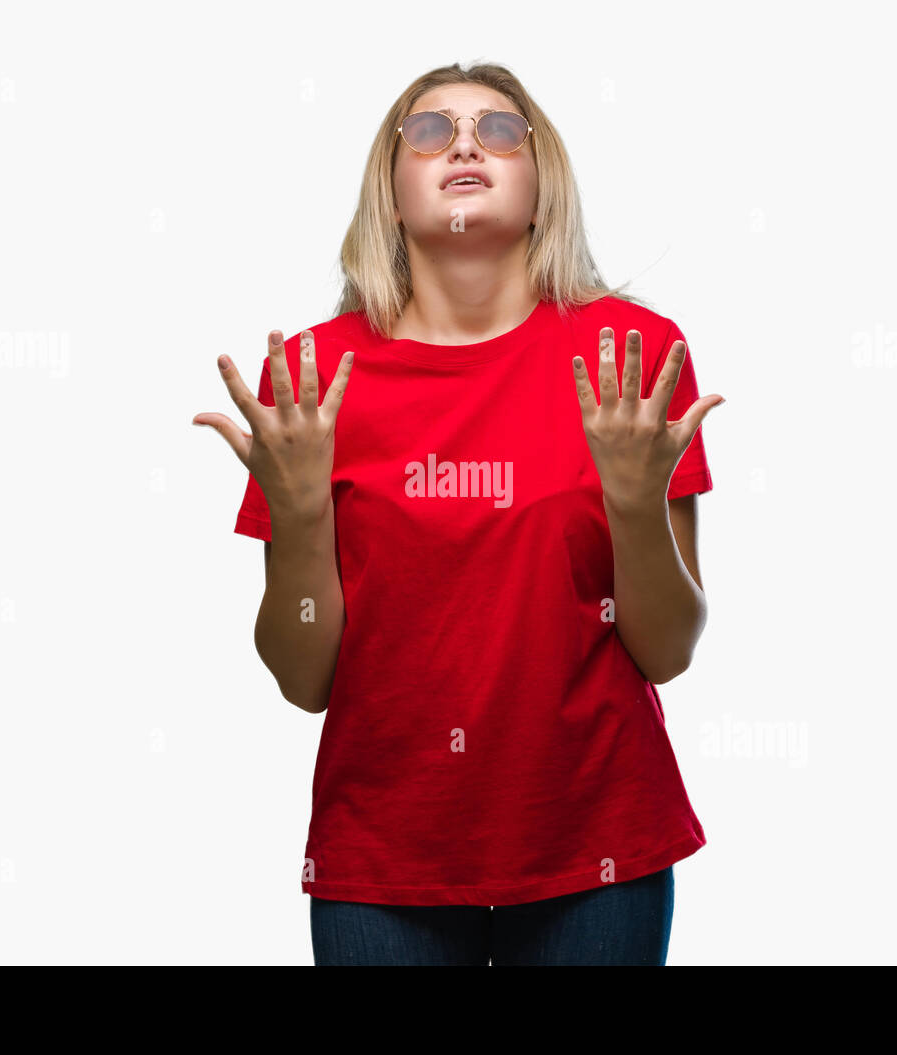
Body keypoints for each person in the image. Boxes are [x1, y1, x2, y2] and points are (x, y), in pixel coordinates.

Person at [193, 61, 726, 966]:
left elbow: (668, 652)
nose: (467, 143)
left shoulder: (630, 352)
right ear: (390, 194)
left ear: (542, 185)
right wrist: (301, 520)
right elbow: (301, 675)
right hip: (385, 861)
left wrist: (636, 507)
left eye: (501, 130)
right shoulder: (316, 378)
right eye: (430, 132)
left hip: (596, 845)